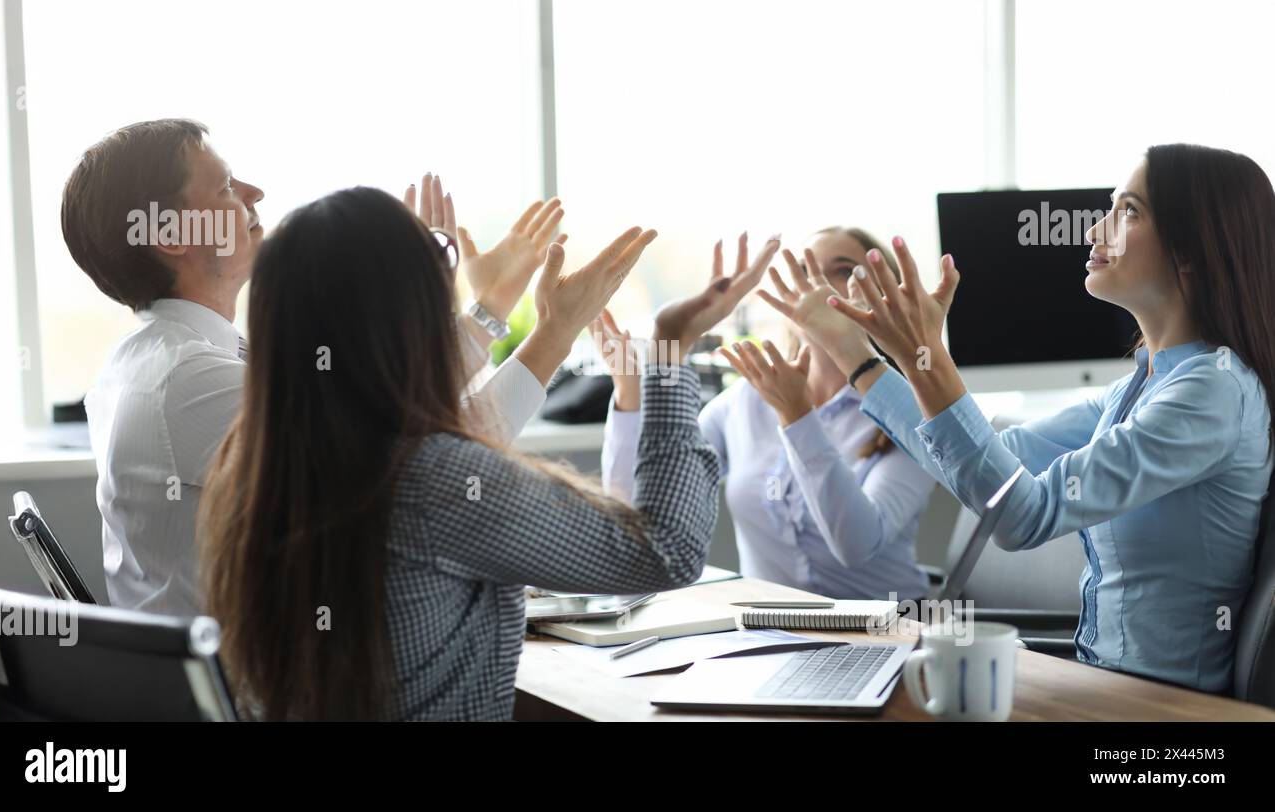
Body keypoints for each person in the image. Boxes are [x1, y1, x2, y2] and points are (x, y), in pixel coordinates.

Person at [197, 186, 771, 721]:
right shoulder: (431, 478)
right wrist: (670, 349)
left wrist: (543, 324)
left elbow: (400, 397)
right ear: (408, 311)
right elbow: (666, 552)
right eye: (438, 257)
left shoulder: (248, 465)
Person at [763, 145, 1275, 693]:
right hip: (1100, 681)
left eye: (1129, 211)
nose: (1095, 229)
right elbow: (988, 458)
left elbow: (1021, 515)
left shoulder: (1210, 394)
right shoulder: (1140, 387)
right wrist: (855, 354)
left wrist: (926, 358)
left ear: (1192, 248)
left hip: (1162, 708)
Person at [63, 119, 566, 614]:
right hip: (255, 669)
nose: (254, 193)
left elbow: (407, 417)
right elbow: (423, 453)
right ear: (171, 234)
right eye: (226, 187)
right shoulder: (185, 381)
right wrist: (510, 316)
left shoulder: (165, 361)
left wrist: (508, 319)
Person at [597, 228, 934, 600]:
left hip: (888, 624)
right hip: (767, 628)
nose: (815, 283)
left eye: (842, 270)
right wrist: (630, 393)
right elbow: (640, 513)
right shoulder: (745, 401)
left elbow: (857, 546)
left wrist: (798, 417)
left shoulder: (911, 413)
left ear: (882, 297)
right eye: (803, 270)